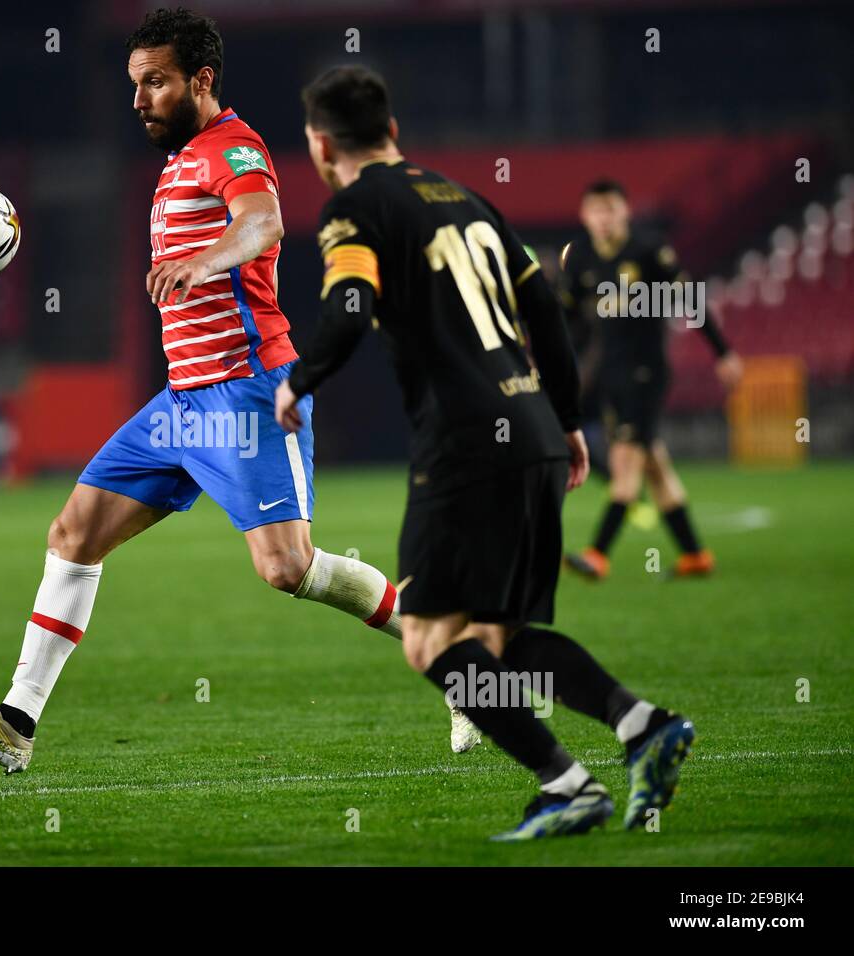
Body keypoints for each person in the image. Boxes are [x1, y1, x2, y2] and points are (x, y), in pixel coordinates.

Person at [0, 9, 478, 775]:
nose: (140, 98)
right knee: (73, 534)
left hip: (249, 395)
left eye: (156, 82)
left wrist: (209, 260)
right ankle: (16, 723)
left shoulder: (232, 147)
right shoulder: (176, 162)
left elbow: (265, 223)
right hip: (183, 404)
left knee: (288, 569)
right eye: (134, 83)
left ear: (201, 80)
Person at [274, 65, 694, 838]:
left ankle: (569, 785)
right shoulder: (466, 197)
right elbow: (546, 310)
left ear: (318, 144)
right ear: (393, 133)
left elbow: (351, 305)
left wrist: (298, 381)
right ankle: (642, 727)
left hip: (466, 445)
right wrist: (566, 421)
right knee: (497, 639)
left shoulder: (353, 209)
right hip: (531, 431)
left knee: (432, 640)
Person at [560, 180, 744, 580]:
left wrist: (722, 352)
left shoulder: (648, 251)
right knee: (655, 465)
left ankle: (597, 553)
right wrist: (547, 358)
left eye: (610, 209)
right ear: (584, 216)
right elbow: (570, 323)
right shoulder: (582, 260)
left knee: (626, 463)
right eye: (596, 210)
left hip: (646, 373)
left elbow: (690, 299)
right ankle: (695, 555)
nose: (603, 218)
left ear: (625, 211)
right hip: (611, 373)